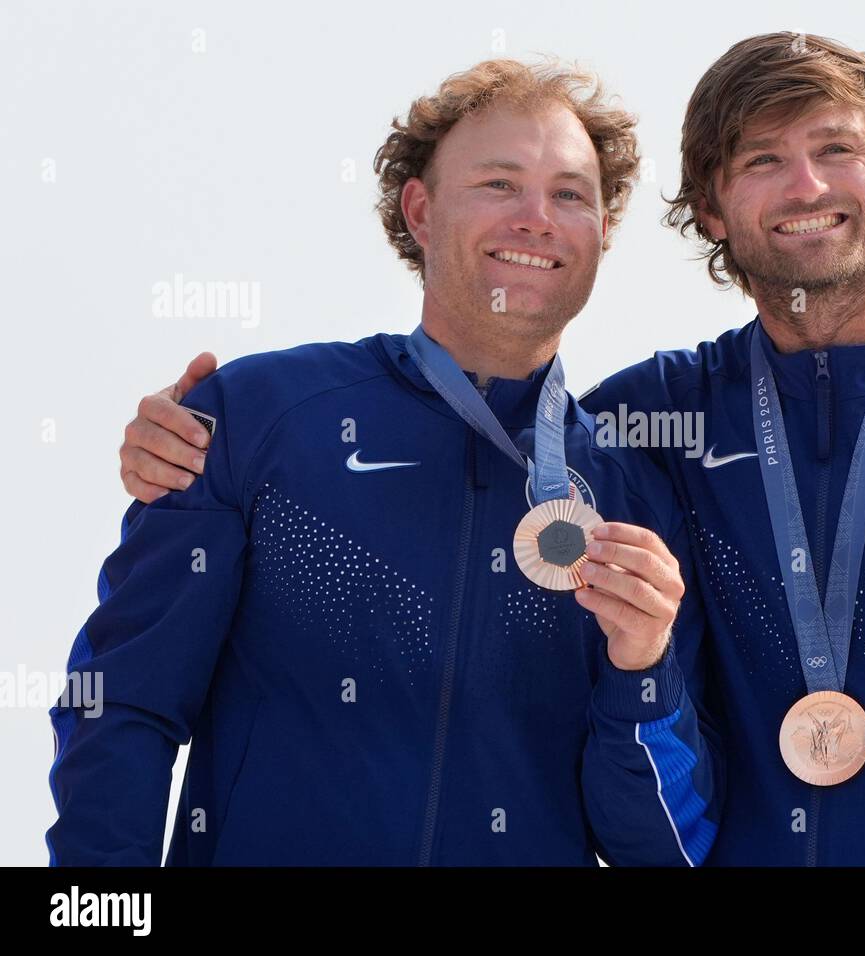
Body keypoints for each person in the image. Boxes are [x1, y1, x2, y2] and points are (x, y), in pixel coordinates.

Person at [114, 33, 865, 865]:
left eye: (835, 151)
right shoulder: (640, 432)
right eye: (759, 161)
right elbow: (484, 453)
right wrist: (193, 441)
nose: (804, 188)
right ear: (707, 208)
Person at [47, 58, 721, 866]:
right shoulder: (257, 415)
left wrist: (640, 671)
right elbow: (120, 704)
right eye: (500, 184)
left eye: (571, 194)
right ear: (421, 210)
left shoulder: (635, 494)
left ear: (601, 233)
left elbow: (660, 849)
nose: (538, 218)